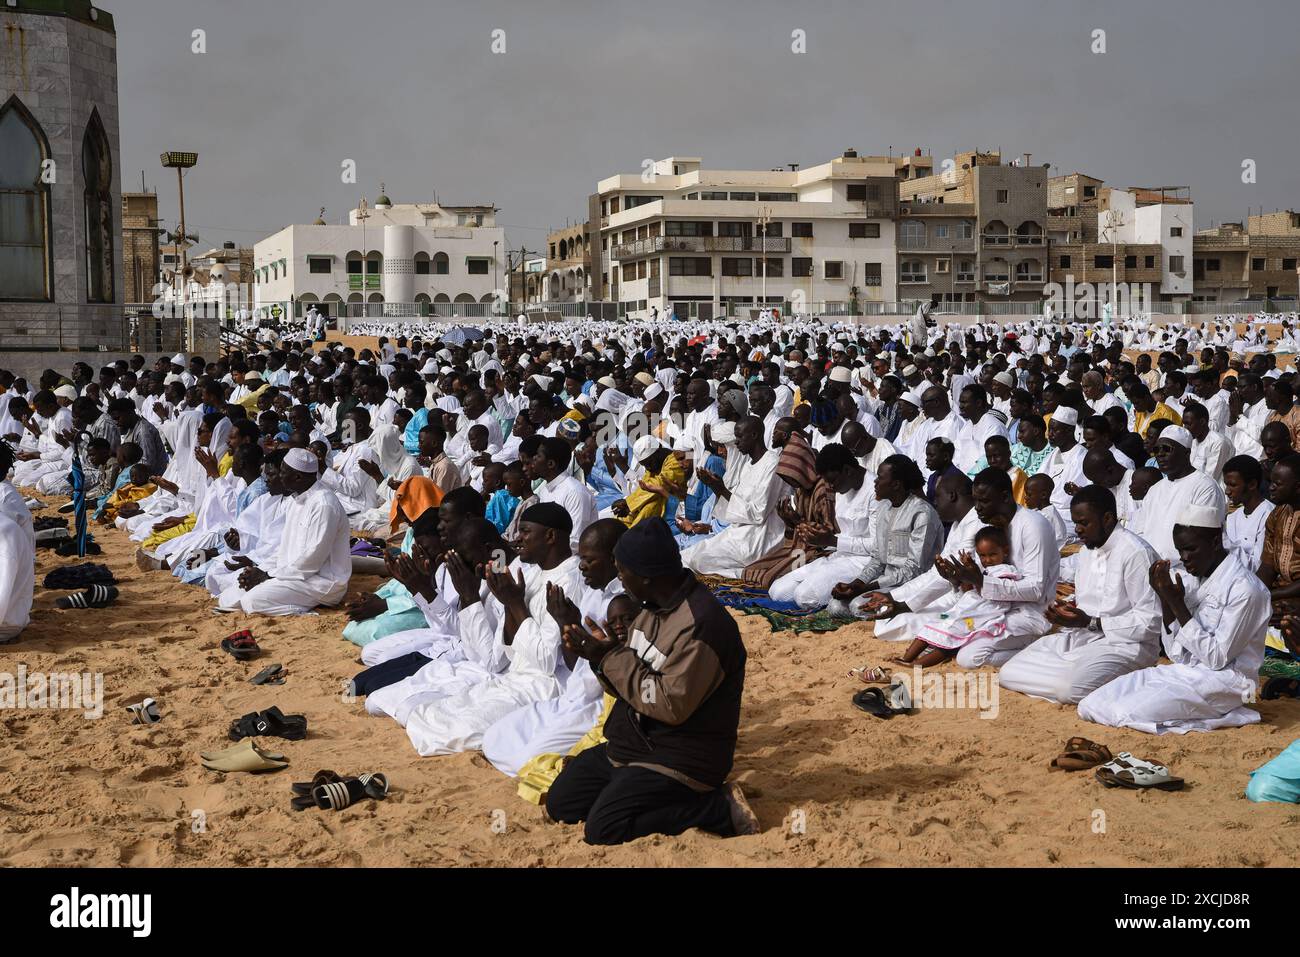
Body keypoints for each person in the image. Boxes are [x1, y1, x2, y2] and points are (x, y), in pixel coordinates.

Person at [546, 517, 758, 845]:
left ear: (645, 577)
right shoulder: (652, 608)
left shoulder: (702, 625)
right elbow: (630, 678)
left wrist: (608, 657)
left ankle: (717, 809)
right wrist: (600, 656)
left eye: (622, 570)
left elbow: (669, 703)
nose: (619, 577)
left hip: (680, 756)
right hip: (635, 742)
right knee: (563, 803)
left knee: (604, 828)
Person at [1078, 505, 1270, 734]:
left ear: (1216, 542)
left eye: (1191, 549)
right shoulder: (1193, 579)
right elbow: (1177, 654)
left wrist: (1177, 604)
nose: (1184, 559)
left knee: (1122, 712)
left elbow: (1217, 658)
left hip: (1228, 685)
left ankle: (1232, 712)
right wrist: (1164, 598)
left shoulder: (1247, 590)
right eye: (1180, 551)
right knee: (1091, 704)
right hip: (1184, 672)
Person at [856, 467, 1059, 668]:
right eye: (975, 500)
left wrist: (980, 581)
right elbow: (976, 580)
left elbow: (1035, 589)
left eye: (984, 501)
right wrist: (957, 580)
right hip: (991, 609)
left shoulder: (1033, 525)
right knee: (949, 629)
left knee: (968, 657)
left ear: (1005, 497)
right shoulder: (991, 526)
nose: (977, 507)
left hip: (1029, 614)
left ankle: (1034, 648)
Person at [999, 486, 1162, 704]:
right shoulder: (1086, 552)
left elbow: (1150, 621)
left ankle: (1076, 678)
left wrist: (1092, 622)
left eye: (1084, 523)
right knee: (1008, 672)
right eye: (1076, 523)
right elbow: (1087, 604)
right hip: (1081, 639)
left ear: (1107, 519)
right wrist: (1065, 613)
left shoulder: (1136, 553)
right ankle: (1077, 677)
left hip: (1126, 645)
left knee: (1069, 689)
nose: (1077, 530)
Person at [215, 447, 351, 615]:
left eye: (283, 472)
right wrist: (260, 570)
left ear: (298, 477)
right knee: (228, 598)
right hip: (290, 575)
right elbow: (284, 550)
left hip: (320, 581)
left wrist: (267, 576)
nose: (279, 476)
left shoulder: (324, 504)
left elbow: (312, 560)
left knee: (252, 601)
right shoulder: (296, 500)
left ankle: (304, 612)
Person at [681, 416, 784, 579]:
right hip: (737, 532)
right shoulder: (749, 465)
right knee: (686, 556)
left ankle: (743, 573)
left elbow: (758, 513)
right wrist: (716, 487)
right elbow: (734, 508)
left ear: (754, 435)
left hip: (758, 538)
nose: (736, 443)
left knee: (696, 560)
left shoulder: (772, 463)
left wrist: (722, 489)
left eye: (740, 437)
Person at [1128, 426, 1225, 562]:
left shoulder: (1205, 487)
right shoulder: (1155, 490)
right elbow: (1140, 532)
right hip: (1152, 567)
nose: (1160, 454)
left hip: (1186, 572)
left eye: (1167, 449)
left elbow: (1200, 540)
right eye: (1156, 450)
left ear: (1186, 453)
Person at [1223, 454, 1273, 571]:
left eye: (1233, 485)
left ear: (1252, 485)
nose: (1227, 491)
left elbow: (1257, 566)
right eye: (1226, 484)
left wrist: (1223, 541)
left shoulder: (1270, 515)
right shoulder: (1233, 517)